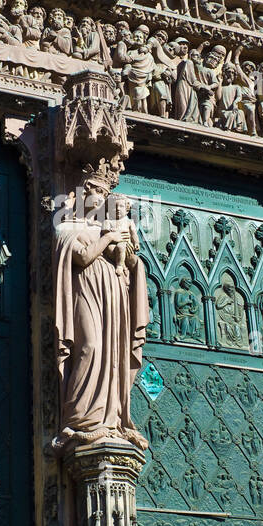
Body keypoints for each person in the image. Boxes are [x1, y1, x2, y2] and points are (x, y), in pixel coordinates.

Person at [52, 181, 149, 451]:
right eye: (94, 193)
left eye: (105, 195)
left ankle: (111, 418)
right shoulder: (67, 226)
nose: (101, 199)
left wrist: (129, 257)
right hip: (86, 290)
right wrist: (107, 239)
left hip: (114, 293)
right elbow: (81, 258)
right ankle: (81, 418)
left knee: (113, 353)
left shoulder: (114, 225)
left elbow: (132, 263)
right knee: (90, 347)